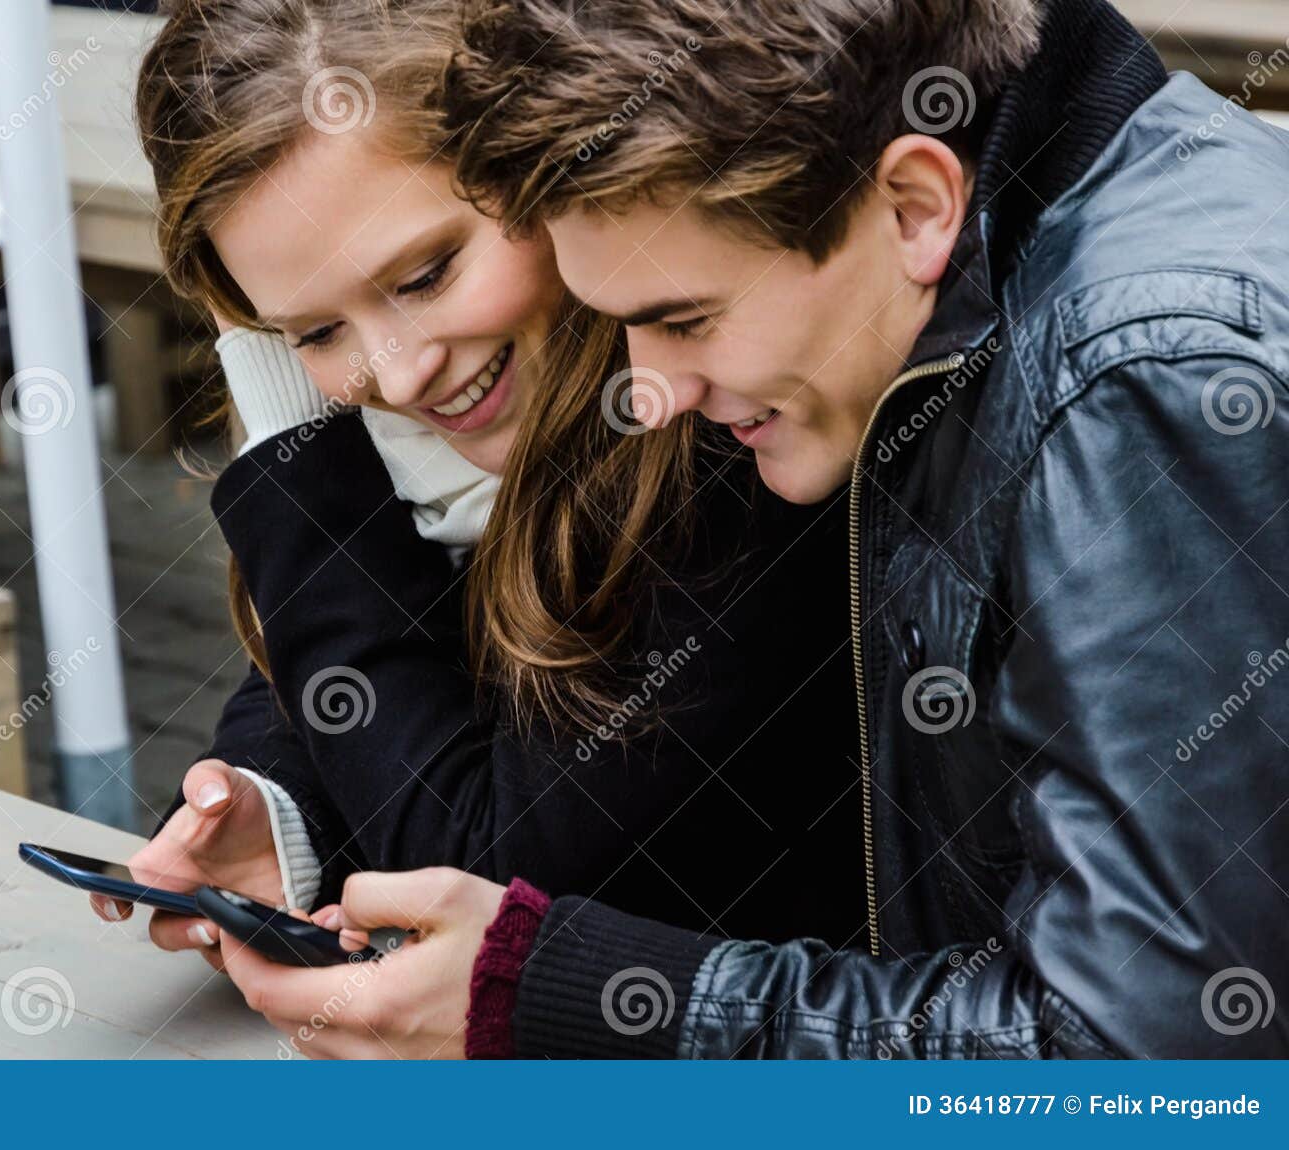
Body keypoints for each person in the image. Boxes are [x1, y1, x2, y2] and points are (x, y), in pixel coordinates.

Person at [214, 0, 1289, 1058]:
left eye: (681, 319)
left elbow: (1137, 1066)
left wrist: (564, 996)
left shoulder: (1149, 383)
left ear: (916, 206)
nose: (652, 392)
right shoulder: (971, 280)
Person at [90, 0, 867, 969]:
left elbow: (489, 871)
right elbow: (342, 687)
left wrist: (299, 450)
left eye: (425, 276)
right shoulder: (420, 431)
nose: (402, 370)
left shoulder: (719, 427)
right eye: (313, 334)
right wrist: (277, 815)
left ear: (539, 164)